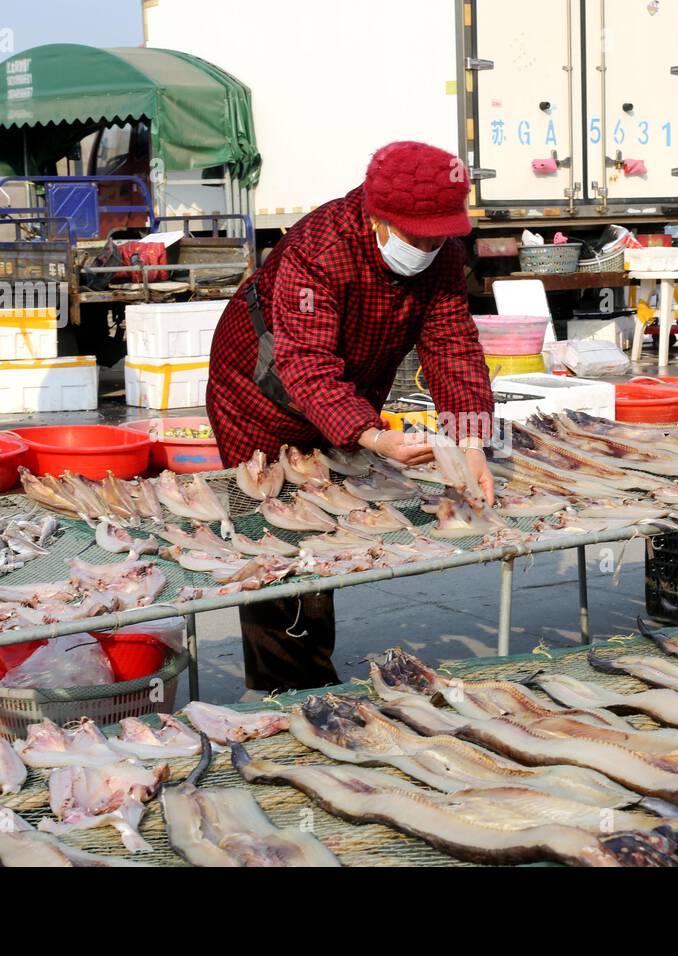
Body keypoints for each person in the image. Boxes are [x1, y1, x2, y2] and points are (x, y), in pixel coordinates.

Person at [206, 140, 496, 693]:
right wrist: (370, 435)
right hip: (258, 394)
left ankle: (309, 670)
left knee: (328, 523)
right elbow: (306, 362)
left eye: (440, 235)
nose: (430, 245)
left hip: (349, 387)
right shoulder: (319, 247)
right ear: (379, 216)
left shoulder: (443, 258)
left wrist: (472, 442)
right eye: (418, 235)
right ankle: (285, 688)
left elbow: (452, 347)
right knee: (279, 530)